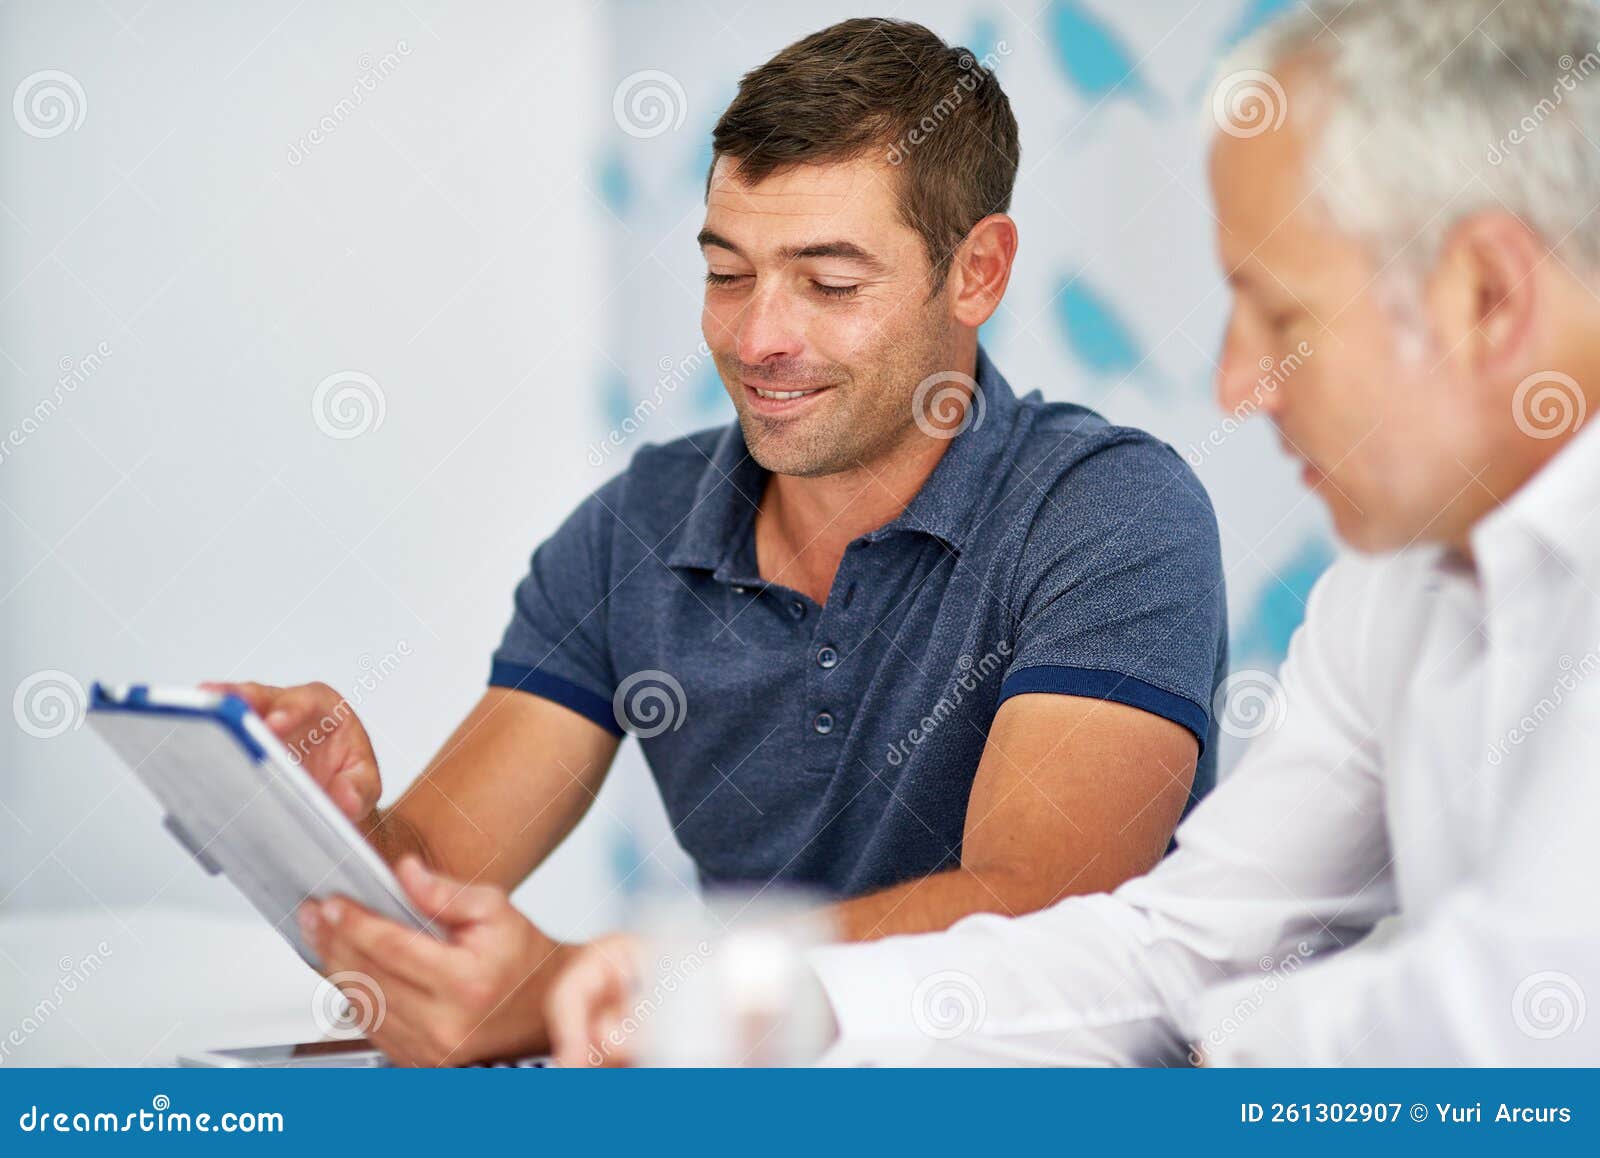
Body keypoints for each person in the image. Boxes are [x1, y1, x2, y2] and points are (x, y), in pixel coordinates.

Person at [549, 0, 1600, 1066]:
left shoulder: (1109, 506)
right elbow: (1183, 948)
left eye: (1283, 318)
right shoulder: (1396, 588)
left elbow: (1521, 1021)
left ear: (1485, 293)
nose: (1239, 387)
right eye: (727, 274)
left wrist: (1228, 1037)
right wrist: (783, 1000)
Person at [222, 18, 1228, 1066]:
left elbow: (1038, 918)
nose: (756, 341)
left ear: (976, 271)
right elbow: (426, 898)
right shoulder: (638, 529)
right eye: (727, 274)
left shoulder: (1108, 512)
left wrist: (618, 994)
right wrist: (315, 821)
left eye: (829, 284)